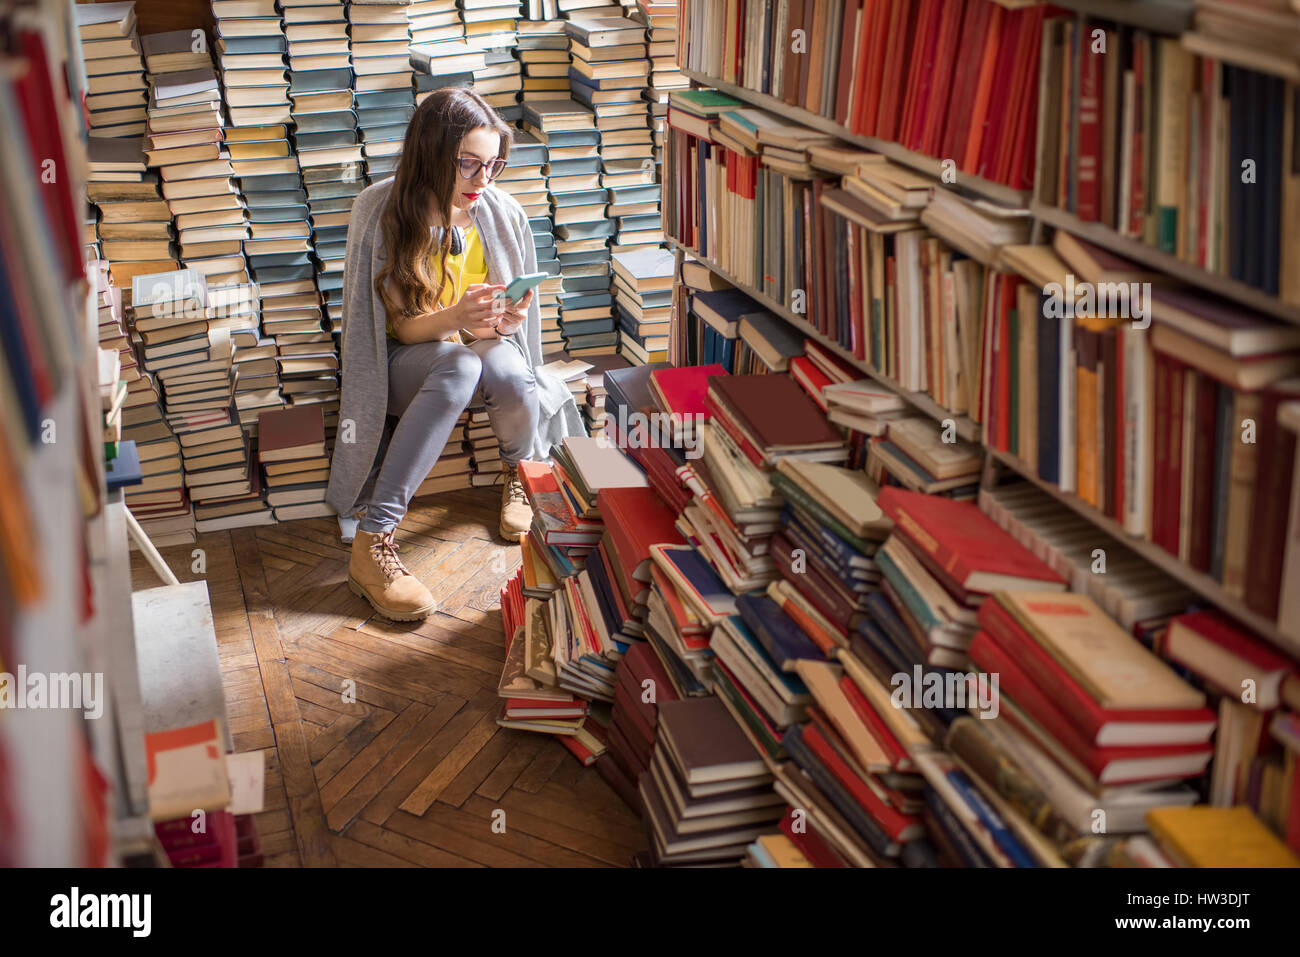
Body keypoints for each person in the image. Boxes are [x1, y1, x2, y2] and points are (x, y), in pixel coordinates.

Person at [325, 88, 584, 622]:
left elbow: (499, 325)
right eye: (468, 164)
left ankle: (520, 472)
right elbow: (398, 329)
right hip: (409, 359)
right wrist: (456, 321)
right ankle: (373, 541)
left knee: (511, 371)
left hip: (471, 342)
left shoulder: (499, 212)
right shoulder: (381, 209)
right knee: (461, 363)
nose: (482, 181)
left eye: (493, 165)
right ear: (431, 153)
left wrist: (507, 320)